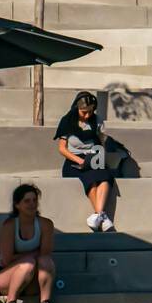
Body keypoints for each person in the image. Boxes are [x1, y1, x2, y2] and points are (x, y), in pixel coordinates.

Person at [0, 183, 59, 303]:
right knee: (28, 263)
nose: (32, 204)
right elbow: (6, 260)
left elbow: (45, 253)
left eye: (34, 200)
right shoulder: (9, 225)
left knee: (46, 261)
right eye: (27, 201)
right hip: (5, 277)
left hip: (31, 280)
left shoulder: (46, 224)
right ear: (17, 205)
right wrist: (30, 257)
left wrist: (26, 257)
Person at [55, 91, 117, 232]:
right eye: (84, 112)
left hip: (93, 157)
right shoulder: (67, 121)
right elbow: (62, 149)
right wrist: (79, 160)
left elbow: (101, 142)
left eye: (90, 112)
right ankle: (104, 218)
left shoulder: (97, 120)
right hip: (74, 160)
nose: (87, 115)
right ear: (77, 108)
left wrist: (100, 157)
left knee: (105, 177)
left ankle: (99, 215)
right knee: (91, 181)